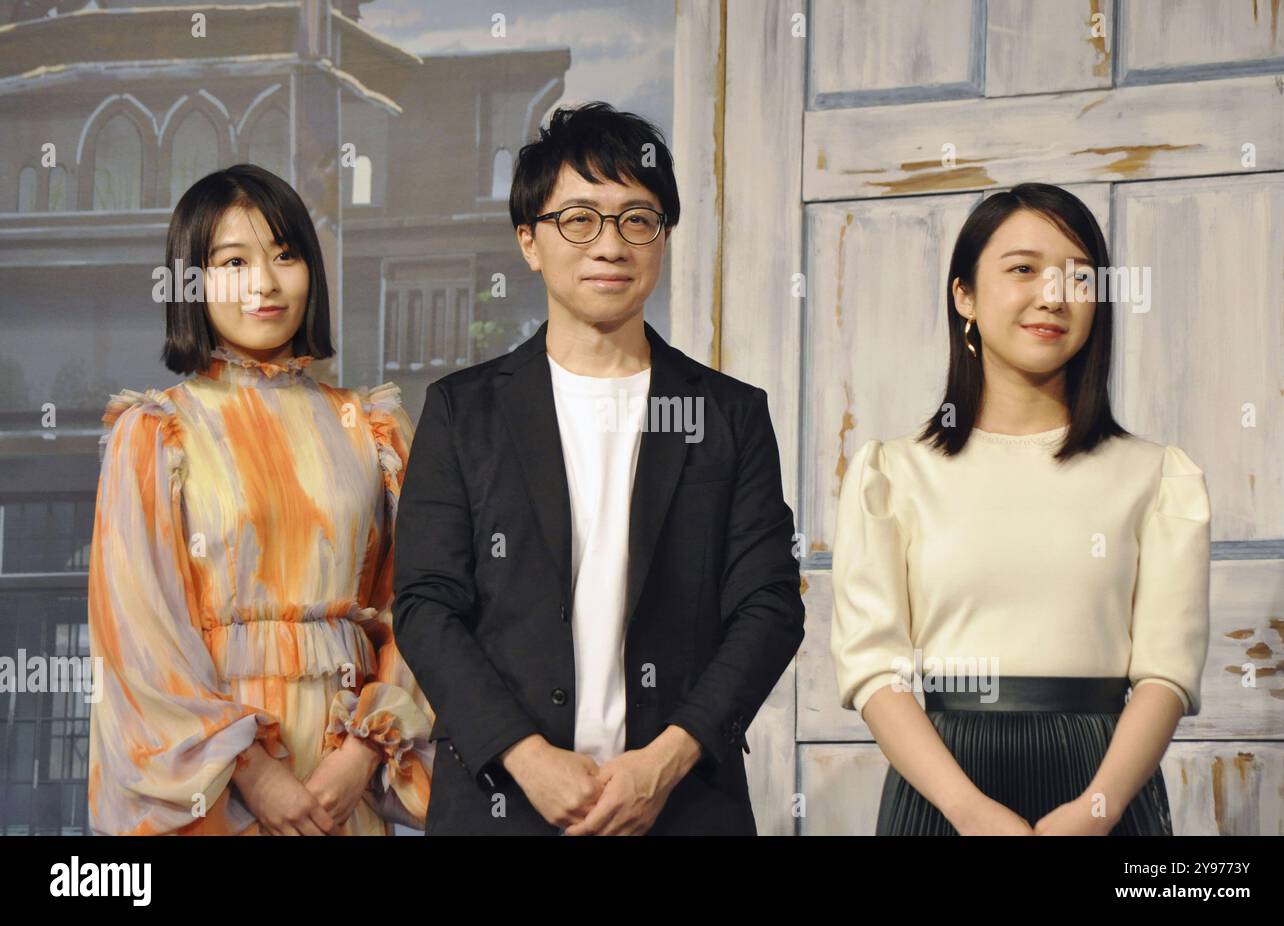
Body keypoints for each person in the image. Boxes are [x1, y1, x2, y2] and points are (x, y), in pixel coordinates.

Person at [393, 102, 804, 835]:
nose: (609, 245)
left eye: (636, 220)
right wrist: (526, 756)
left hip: (680, 805)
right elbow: (426, 607)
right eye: (578, 219)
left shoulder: (729, 414)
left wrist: (665, 762)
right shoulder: (464, 412)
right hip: (502, 801)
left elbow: (769, 608)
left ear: (663, 239)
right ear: (529, 242)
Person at [830, 183, 1210, 836]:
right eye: (1024, 270)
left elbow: (1165, 672)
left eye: (1078, 276)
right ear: (965, 296)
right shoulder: (892, 473)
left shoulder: (1157, 475)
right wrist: (967, 811)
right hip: (944, 786)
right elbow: (874, 670)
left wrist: (1099, 809)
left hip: (1104, 784)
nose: (1054, 296)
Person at [87, 164, 434, 835]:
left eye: (285, 254)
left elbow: (418, 606)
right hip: (216, 789)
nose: (266, 283)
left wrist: (363, 753)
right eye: (233, 261)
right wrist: (254, 771)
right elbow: (139, 636)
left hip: (345, 785)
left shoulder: (376, 430)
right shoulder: (157, 433)